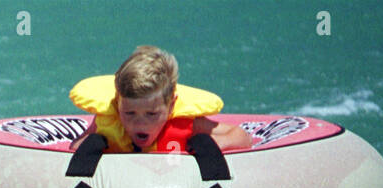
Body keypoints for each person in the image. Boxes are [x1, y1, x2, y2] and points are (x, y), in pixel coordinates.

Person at [69, 46, 253, 154]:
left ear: (171, 106)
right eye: (129, 113)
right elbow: (75, 145)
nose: (139, 122)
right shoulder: (107, 121)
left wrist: (217, 144)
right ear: (118, 105)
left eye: (151, 114)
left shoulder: (188, 124)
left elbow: (241, 136)